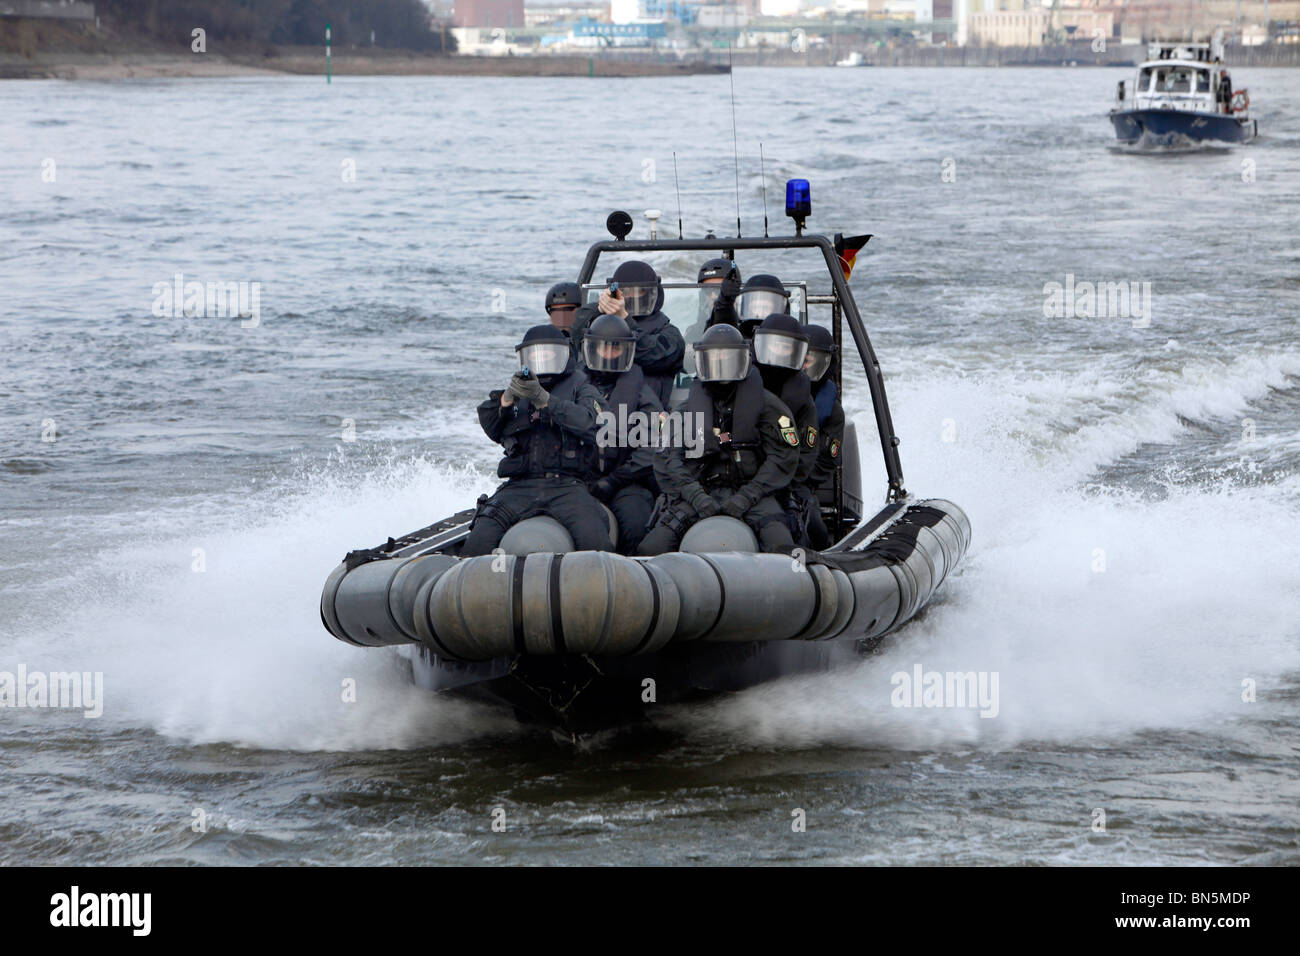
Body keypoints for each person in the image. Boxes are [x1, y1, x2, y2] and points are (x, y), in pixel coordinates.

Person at [637, 324, 799, 555]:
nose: (722, 365)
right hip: (699, 493)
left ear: (743, 359)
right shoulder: (685, 411)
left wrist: (746, 497)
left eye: (729, 358)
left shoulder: (769, 407)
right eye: (716, 358)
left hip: (754, 495)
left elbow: (782, 458)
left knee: (783, 548)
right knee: (650, 549)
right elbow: (669, 460)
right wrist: (697, 497)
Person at [460, 324, 611, 556]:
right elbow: (492, 428)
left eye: (549, 354)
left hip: (566, 486)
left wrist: (545, 401)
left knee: (594, 540)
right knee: (480, 539)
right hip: (520, 486)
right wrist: (506, 399)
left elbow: (595, 426)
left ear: (563, 354)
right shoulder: (519, 388)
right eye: (536, 355)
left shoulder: (582, 387)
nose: (542, 359)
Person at [582, 314, 662, 555]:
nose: (607, 354)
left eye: (615, 348)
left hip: (625, 481)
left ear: (627, 351)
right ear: (590, 348)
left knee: (636, 524)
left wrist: (614, 480)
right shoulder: (574, 386)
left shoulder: (641, 393)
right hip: (579, 479)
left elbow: (653, 446)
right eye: (602, 347)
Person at [571, 260, 685, 408]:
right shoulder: (599, 320)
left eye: (640, 292)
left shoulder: (669, 333)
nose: (632, 297)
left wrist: (625, 318)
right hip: (593, 408)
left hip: (645, 412)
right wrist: (601, 308)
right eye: (626, 292)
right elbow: (576, 334)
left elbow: (653, 353)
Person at [751, 313, 819, 545]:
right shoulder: (743, 384)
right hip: (743, 478)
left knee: (812, 531)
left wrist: (779, 481)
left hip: (785, 481)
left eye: (786, 347)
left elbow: (807, 453)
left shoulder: (802, 398)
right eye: (774, 345)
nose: (779, 352)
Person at [801, 324, 845, 550]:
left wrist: (795, 476)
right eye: (801, 358)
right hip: (762, 477)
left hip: (801, 482)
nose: (804, 365)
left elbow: (827, 460)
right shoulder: (773, 394)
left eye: (809, 359)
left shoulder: (832, 411)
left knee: (814, 530)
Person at [683, 258, 743, 376]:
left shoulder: (747, 329)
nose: (714, 295)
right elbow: (686, 366)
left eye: (719, 289)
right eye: (708, 290)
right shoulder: (694, 331)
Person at [734, 274, 792, 339]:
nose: (760, 313)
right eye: (755, 307)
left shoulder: (789, 337)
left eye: (766, 307)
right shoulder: (736, 335)